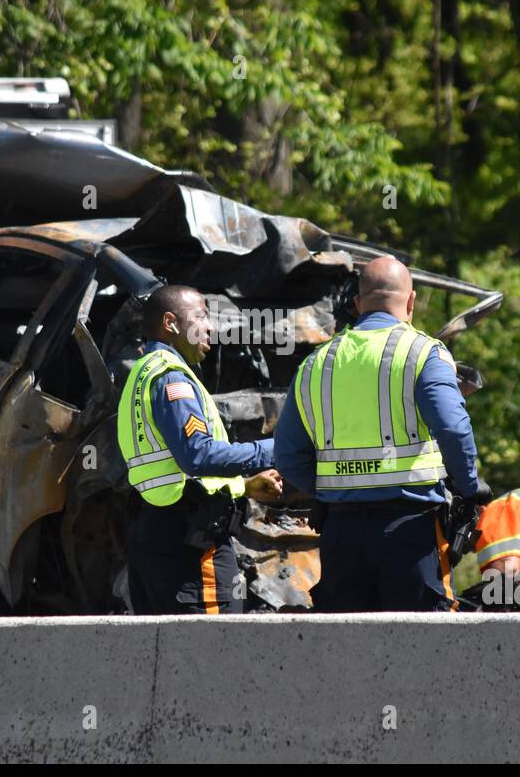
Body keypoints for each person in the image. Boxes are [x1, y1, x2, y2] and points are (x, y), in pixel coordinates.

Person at [273, 255, 488, 612]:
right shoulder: (423, 354)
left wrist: (329, 488)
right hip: (410, 533)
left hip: (341, 535)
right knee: (419, 647)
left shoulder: (316, 363)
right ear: (412, 301)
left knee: (350, 649)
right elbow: (453, 428)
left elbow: (288, 455)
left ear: (357, 304)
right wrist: (468, 488)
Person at [117, 284, 282, 614]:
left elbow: (172, 468)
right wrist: (276, 448)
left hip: (154, 531)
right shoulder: (171, 377)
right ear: (171, 323)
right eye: (201, 317)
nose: (210, 327)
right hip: (189, 540)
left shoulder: (142, 371)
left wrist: (243, 486)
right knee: (216, 651)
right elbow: (198, 456)